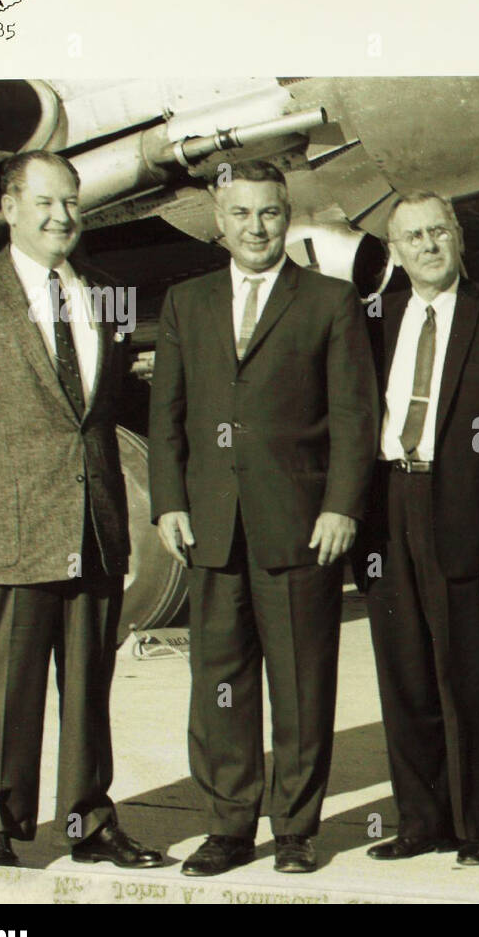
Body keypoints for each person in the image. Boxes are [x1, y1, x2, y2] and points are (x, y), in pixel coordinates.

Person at [0, 150, 162, 878]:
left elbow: (97, 411)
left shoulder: (102, 290)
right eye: (46, 204)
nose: (63, 217)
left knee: (89, 684)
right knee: (4, 688)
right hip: (10, 521)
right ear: (9, 207)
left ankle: (90, 819)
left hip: (94, 520)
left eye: (71, 203)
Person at [148, 159, 378, 876]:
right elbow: (169, 417)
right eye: (242, 214)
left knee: (303, 681)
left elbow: (353, 415)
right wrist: (169, 502)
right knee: (219, 680)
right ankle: (228, 825)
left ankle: (297, 828)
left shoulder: (329, 301)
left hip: (299, 523)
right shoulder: (187, 302)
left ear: (288, 216)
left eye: (270, 213)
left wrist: (342, 504)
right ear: (220, 223)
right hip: (213, 525)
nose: (256, 227)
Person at [353, 192, 479, 866]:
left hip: (463, 511)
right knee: (403, 675)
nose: (428, 245)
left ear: (457, 237)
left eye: (438, 231)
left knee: (464, 676)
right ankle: (417, 820)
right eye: (413, 236)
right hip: (386, 504)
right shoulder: (373, 318)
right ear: (394, 250)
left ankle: (471, 825)